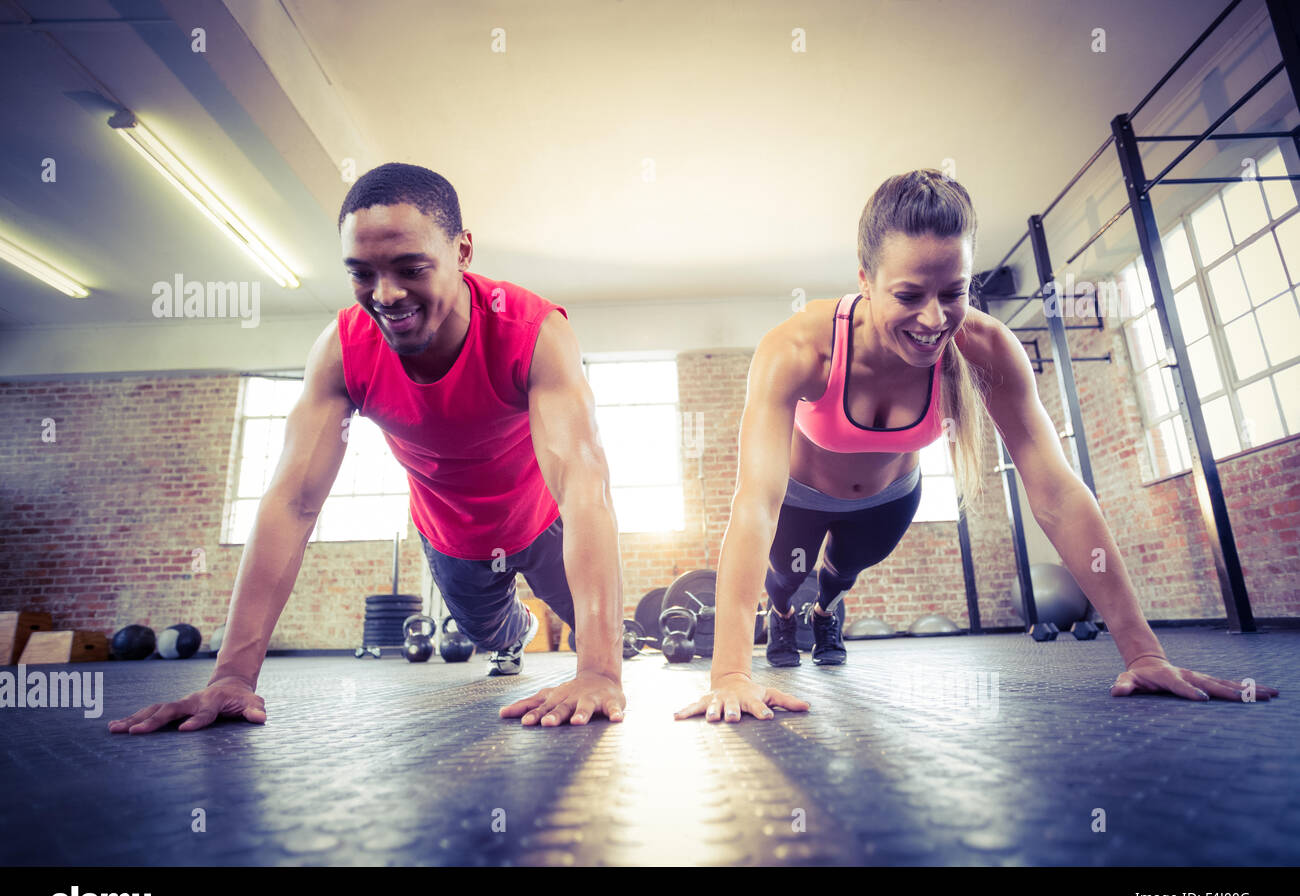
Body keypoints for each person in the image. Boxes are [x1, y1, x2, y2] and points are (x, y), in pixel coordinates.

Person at [676, 169, 1278, 723]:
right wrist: (731, 672)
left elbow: (1057, 492)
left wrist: (1143, 652)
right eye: (909, 295)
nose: (935, 319)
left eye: (954, 292)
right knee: (785, 579)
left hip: (888, 499)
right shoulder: (800, 348)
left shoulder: (986, 346)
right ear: (865, 280)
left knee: (840, 575)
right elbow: (756, 502)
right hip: (800, 498)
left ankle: (825, 615)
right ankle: (783, 618)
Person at [110, 163, 626, 734]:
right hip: (454, 538)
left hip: (547, 521)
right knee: (492, 635)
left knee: (606, 633)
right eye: (361, 273)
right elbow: (292, 504)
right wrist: (231, 675)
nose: (385, 295)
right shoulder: (343, 350)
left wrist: (600, 671)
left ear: (463, 251)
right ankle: (518, 632)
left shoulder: (532, 332)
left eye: (410, 269)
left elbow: (584, 485)